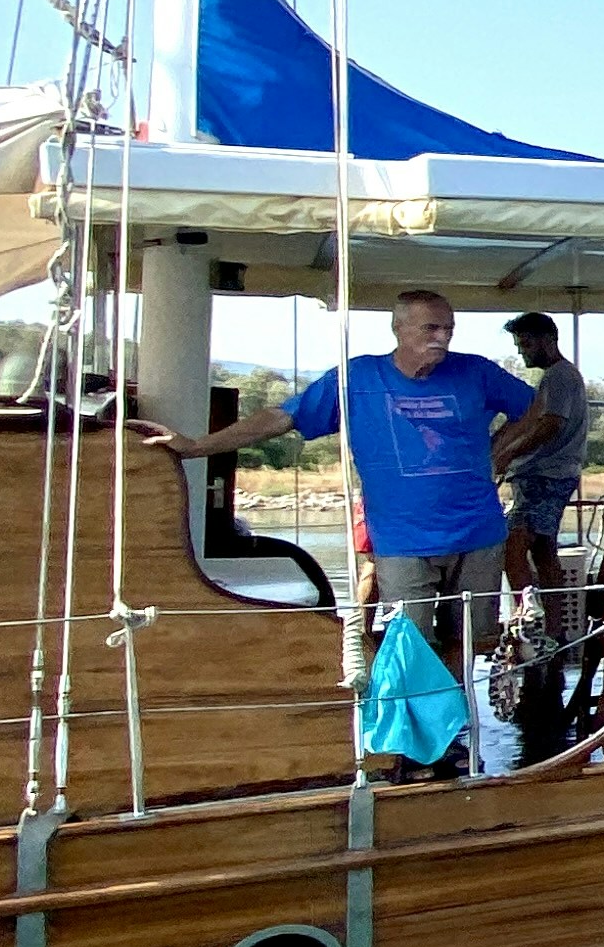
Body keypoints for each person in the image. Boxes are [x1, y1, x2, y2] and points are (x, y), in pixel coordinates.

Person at [146, 291, 537, 740]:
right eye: (431, 328)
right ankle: (417, 738)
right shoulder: (359, 378)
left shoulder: (477, 372)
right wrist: (197, 447)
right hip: (402, 539)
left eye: (448, 328)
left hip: (479, 531)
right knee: (411, 643)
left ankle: (446, 733)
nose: (442, 337)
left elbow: (538, 409)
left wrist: (499, 451)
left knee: (466, 639)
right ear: (400, 329)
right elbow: (281, 418)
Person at [494, 310, 590, 631]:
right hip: (546, 476)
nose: (522, 351)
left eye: (527, 344)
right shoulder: (556, 378)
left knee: (512, 545)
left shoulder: (560, 376)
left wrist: (507, 454)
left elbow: (550, 424)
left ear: (548, 340)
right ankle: (555, 629)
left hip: (547, 476)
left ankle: (527, 615)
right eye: (519, 345)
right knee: (545, 550)